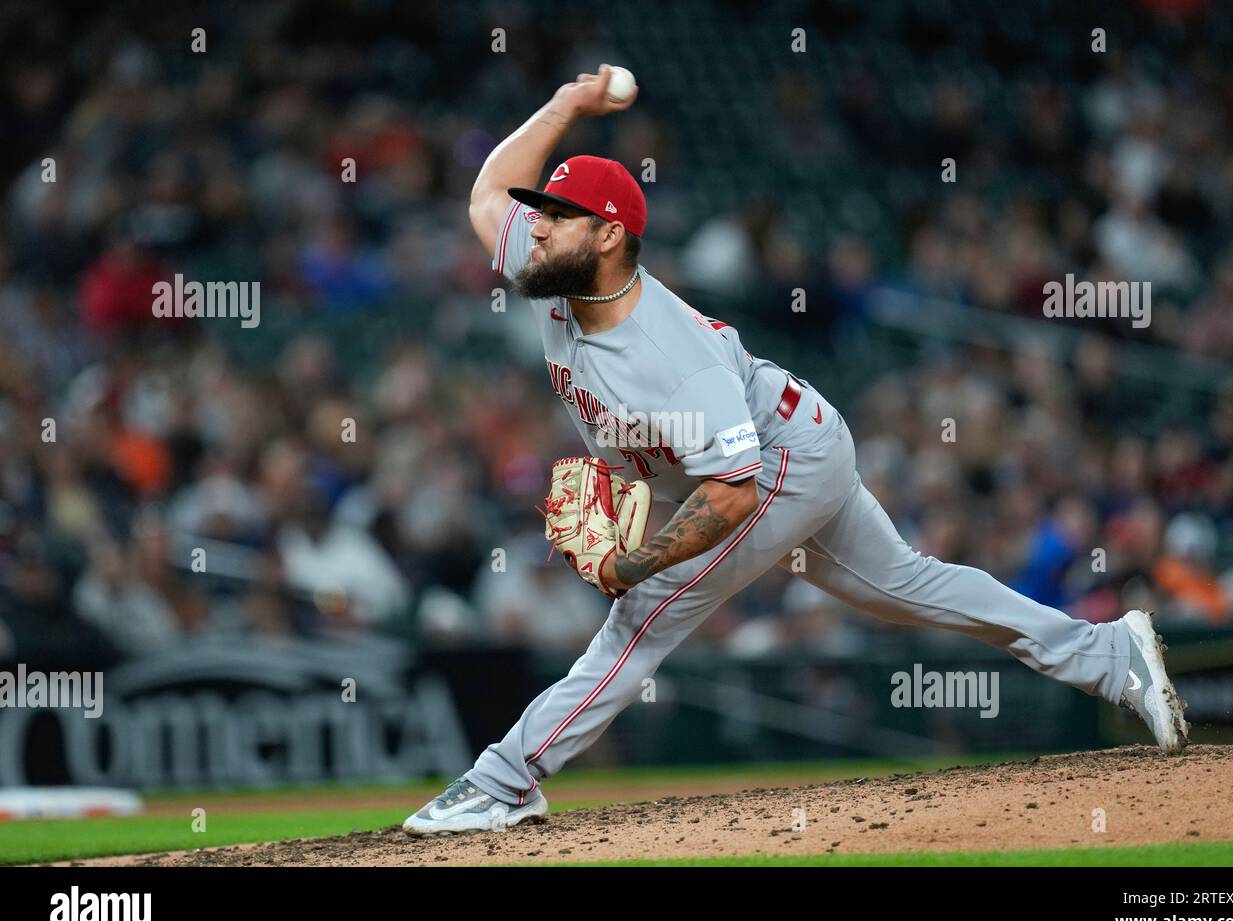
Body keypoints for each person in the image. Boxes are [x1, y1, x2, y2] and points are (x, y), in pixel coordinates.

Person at [403, 66, 1189, 836]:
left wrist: (632, 565)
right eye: (540, 213)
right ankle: (1108, 653)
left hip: (778, 460)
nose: (534, 224)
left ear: (609, 234)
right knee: (907, 584)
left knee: (641, 619)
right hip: (789, 430)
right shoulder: (551, 270)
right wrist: (566, 103)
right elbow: (486, 194)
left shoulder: (672, 361)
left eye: (557, 213)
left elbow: (736, 493)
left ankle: (502, 783)